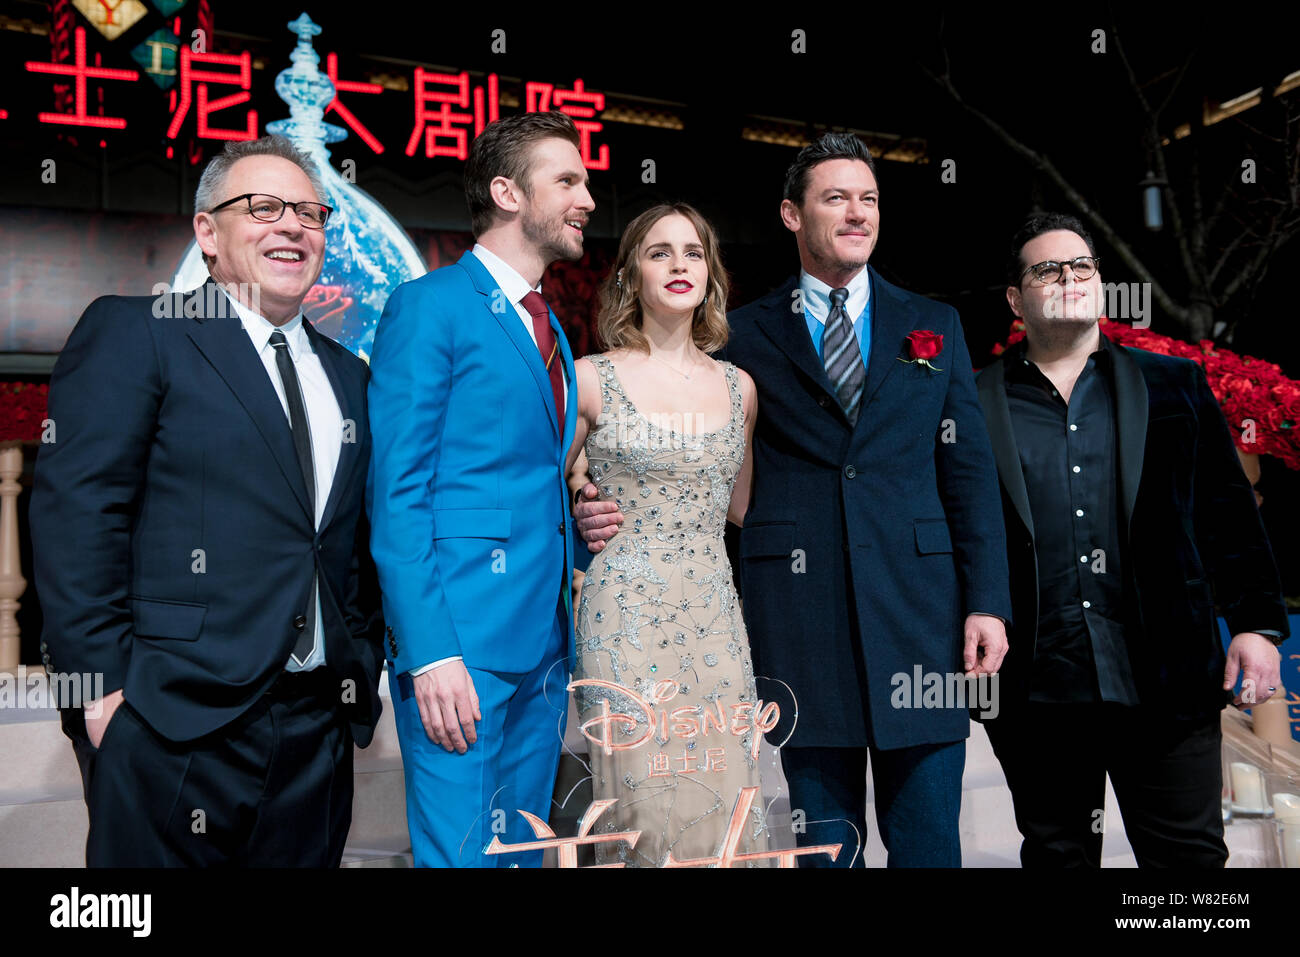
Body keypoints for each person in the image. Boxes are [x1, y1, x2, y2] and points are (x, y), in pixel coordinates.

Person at [578, 133, 1012, 867]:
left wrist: (988, 601)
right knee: (822, 849)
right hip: (797, 625)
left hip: (922, 621)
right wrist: (596, 499)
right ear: (790, 213)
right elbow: (694, 461)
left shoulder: (933, 325)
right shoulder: (740, 339)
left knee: (931, 845)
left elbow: (968, 474)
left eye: (868, 198)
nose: (856, 213)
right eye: (835, 198)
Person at [30, 135, 385, 866]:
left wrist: (361, 662)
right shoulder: (138, 332)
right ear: (207, 233)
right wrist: (100, 699)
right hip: (169, 721)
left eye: (310, 213)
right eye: (263, 207)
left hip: (316, 727)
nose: (293, 225)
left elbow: (345, 544)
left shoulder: (351, 375)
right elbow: (77, 517)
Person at [975, 213, 1289, 867]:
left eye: (1082, 266)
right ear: (1016, 298)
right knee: (1058, 854)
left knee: (1188, 864)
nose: (1069, 277)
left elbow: (1228, 515)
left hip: (1165, 678)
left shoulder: (1173, 385)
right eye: (1047, 269)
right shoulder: (975, 403)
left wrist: (1257, 625)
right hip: (1038, 691)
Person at [367, 111, 592, 867]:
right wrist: (428, 653)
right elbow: (397, 491)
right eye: (567, 179)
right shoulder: (428, 306)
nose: (586, 198)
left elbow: (533, 474)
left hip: (543, 644)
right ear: (506, 192)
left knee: (522, 856)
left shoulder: (551, 327)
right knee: (463, 856)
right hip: (460, 649)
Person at [565, 203, 763, 866]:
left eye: (693, 252)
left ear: (710, 274)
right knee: (644, 812)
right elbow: (541, 497)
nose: (679, 264)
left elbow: (743, 508)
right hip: (624, 620)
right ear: (628, 276)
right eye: (659, 252)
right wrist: (579, 510)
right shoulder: (590, 377)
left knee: (723, 802)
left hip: (714, 617)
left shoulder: (740, 388)